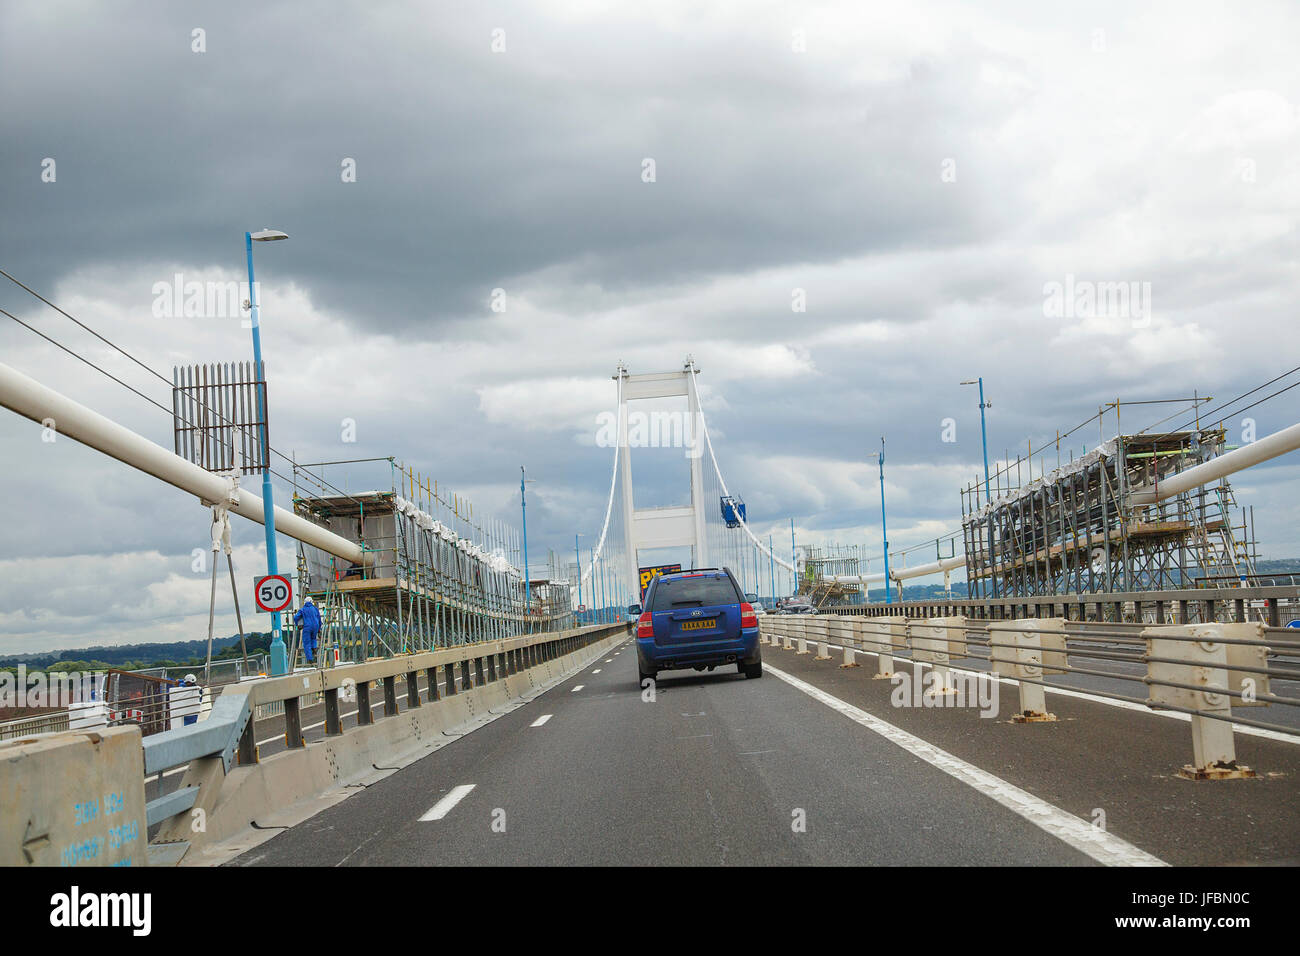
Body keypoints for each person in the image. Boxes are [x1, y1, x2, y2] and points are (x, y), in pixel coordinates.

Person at [293, 597, 322, 664]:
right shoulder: (315, 609)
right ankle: (314, 648)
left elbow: (295, 617)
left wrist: (298, 624)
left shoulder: (302, 610)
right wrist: (319, 629)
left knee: (306, 643)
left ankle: (309, 659)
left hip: (307, 627)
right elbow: (319, 619)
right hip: (316, 626)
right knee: (313, 638)